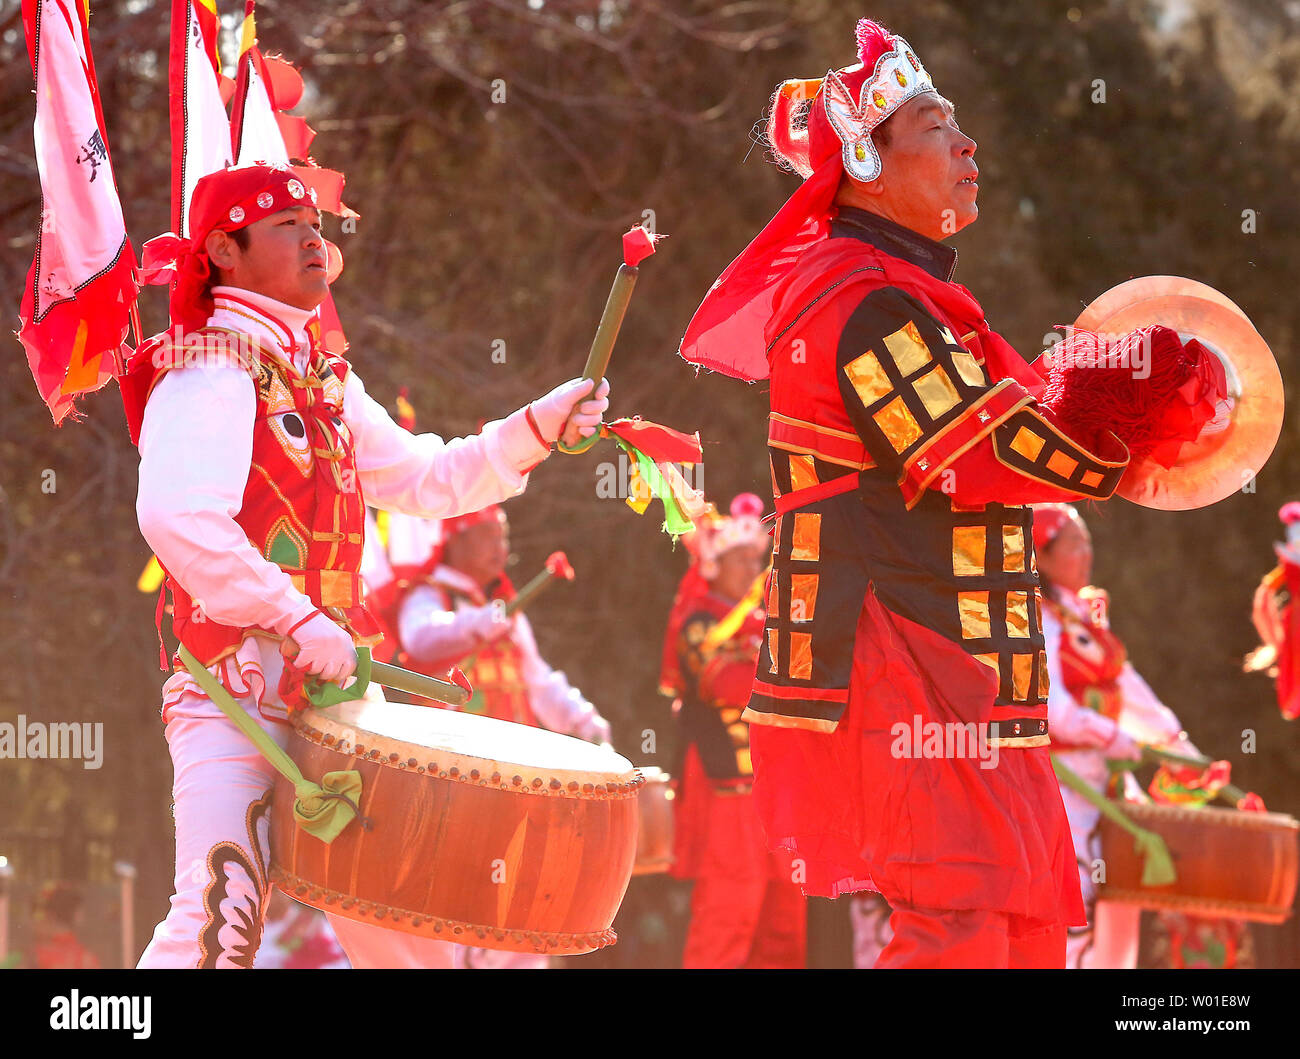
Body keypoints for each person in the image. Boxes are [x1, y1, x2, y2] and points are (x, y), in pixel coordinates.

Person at [678, 18, 1223, 968]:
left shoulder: (908, 292)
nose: (968, 144)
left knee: (1023, 916)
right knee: (961, 914)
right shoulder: (853, 293)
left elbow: (1008, 410)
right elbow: (966, 441)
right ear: (865, 162)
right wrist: (1113, 448)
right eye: (935, 126)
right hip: (895, 644)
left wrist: (1126, 401)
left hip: (955, 653)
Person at [124, 161, 610, 969]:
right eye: (286, 226)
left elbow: (427, 477)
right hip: (232, 687)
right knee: (221, 917)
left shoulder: (323, 379)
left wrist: (538, 424)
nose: (315, 237)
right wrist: (298, 618)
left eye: (315, 223)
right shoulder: (209, 363)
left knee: (405, 915)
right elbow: (175, 515)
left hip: (333, 690)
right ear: (223, 250)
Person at [1034, 503, 1195, 968]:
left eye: (1088, 541)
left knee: (1122, 894)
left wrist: (1180, 749)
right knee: (1076, 899)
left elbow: (1132, 694)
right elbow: (1050, 706)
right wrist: (1109, 736)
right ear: (1040, 557)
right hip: (1061, 785)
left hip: (1107, 783)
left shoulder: (1085, 620)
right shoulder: (1035, 616)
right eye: (1073, 544)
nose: (1086, 552)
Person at [661, 494, 806, 968]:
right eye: (741, 560)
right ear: (713, 565)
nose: (752, 570)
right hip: (727, 793)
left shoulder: (768, 624)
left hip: (778, 792)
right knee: (729, 913)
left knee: (785, 918)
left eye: (756, 560)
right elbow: (730, 684)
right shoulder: (698, 623)